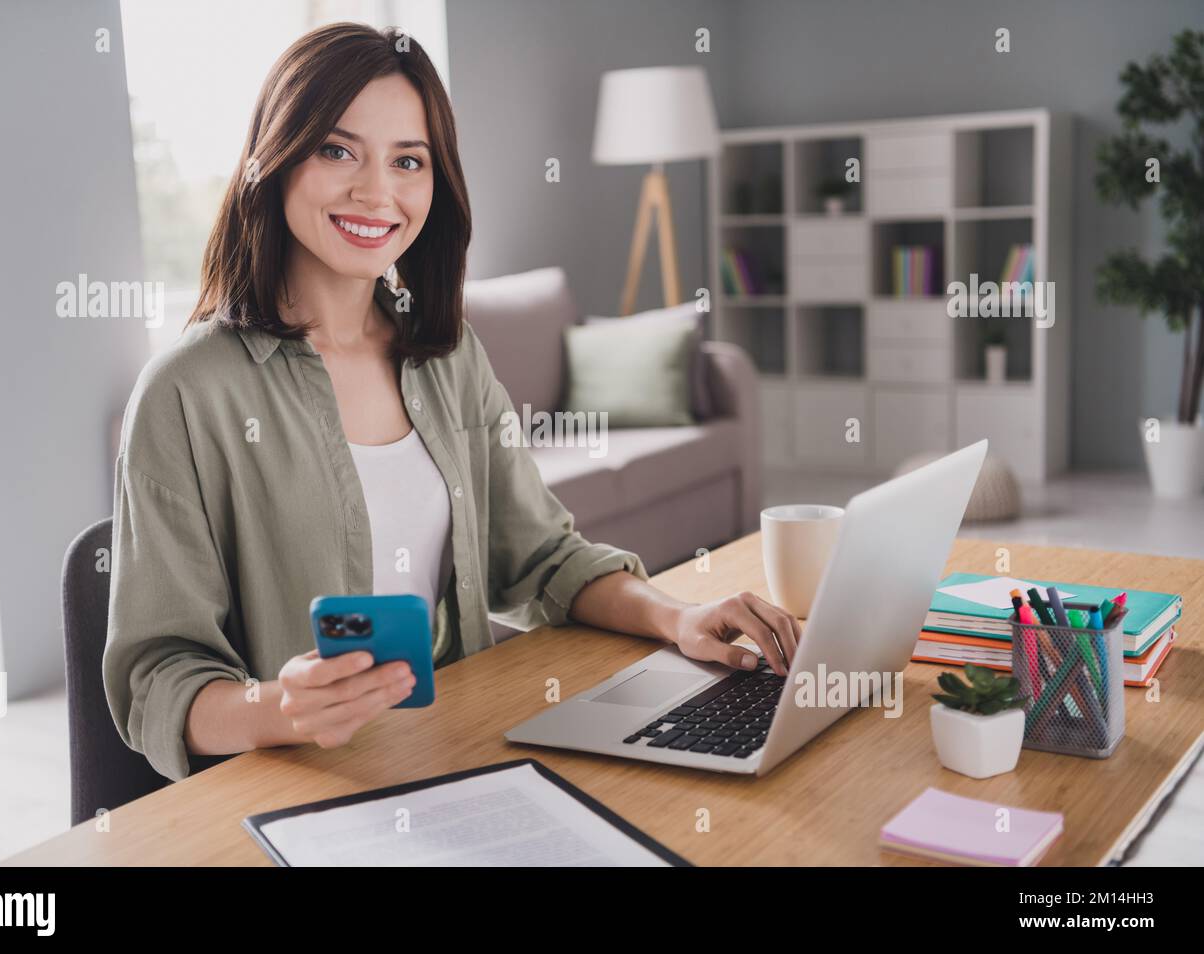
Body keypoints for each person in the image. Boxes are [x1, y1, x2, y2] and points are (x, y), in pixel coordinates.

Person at [103, 22, 799, 782]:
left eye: (409, 160)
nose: (377, 191)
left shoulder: (446, 354)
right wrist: (278, 709)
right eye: (338, 150)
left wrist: (678, 617)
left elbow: (542, 557)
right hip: (296, 783)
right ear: (275, 160)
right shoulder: (186, 391)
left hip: (459, 750)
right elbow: (156, 676)